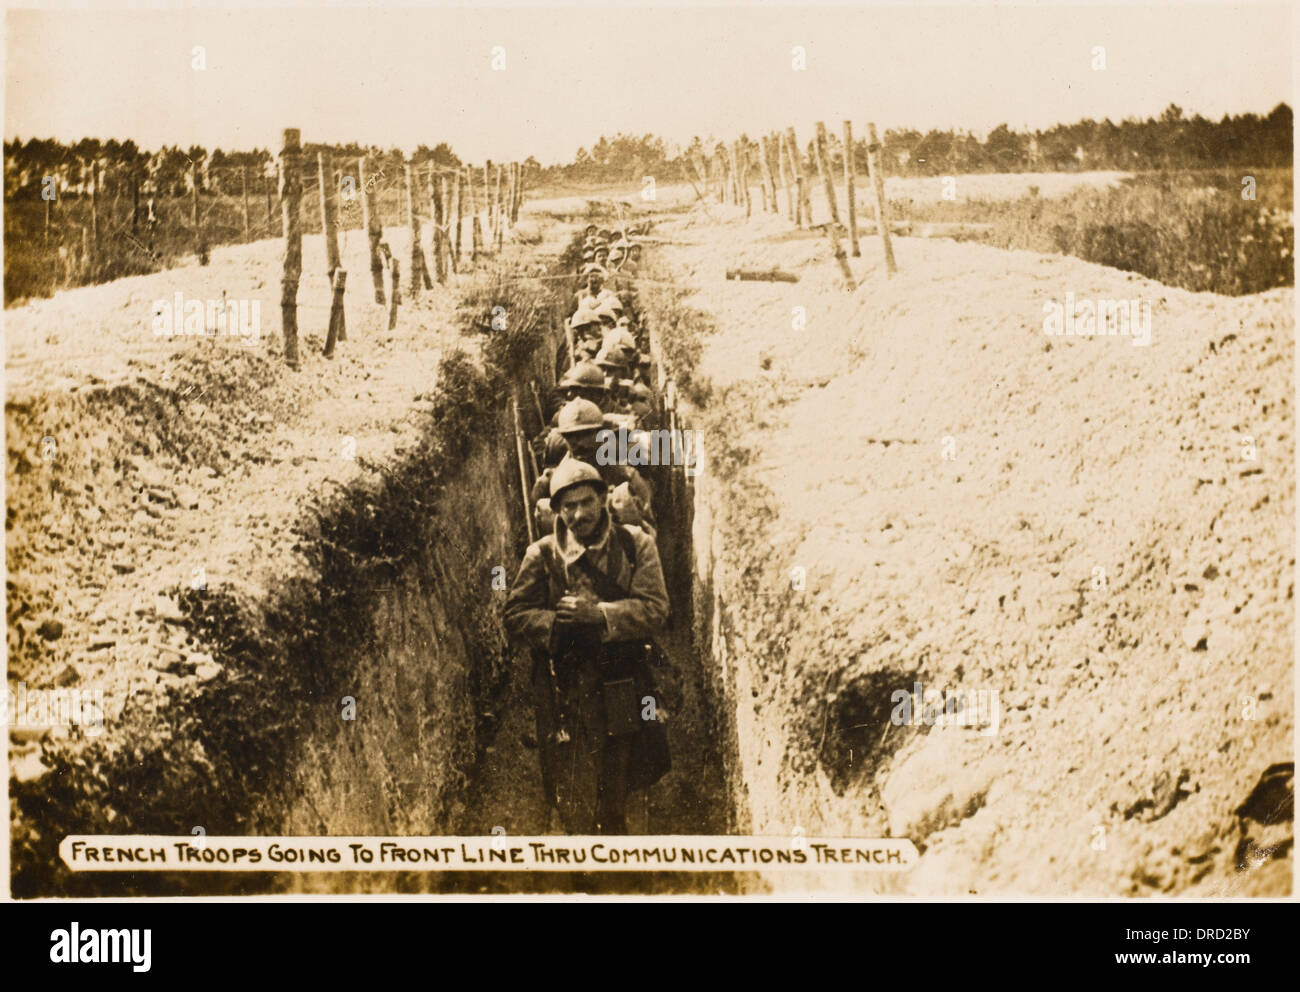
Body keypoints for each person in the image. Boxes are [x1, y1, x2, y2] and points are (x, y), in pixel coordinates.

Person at [504, 459, 670, 834]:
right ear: (557, 510)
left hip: (623, 680)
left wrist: (600, 615)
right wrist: (554, 623)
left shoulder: (635, 545)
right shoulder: (542, 555)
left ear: (603, 499)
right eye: (568, 507)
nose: (578, 515)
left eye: (586, 503)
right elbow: (515, 614)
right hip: (566, 690)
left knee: (620, 778)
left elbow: (656, 610)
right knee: (572, 787)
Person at [555, 399, 656, 534]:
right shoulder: (558, 477)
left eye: (585, 434)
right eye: (570, 436)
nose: (577, 443)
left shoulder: (623, 472)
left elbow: (648, 528)